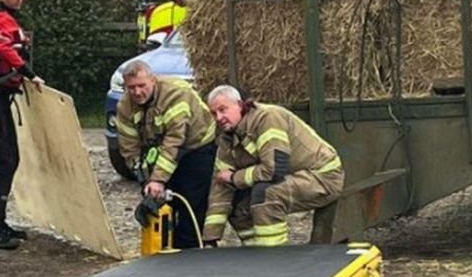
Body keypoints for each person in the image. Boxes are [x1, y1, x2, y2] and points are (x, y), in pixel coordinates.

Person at [202, 85, 343, 247]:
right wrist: (211, 238)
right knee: (238, 204)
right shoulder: (227, 139)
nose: (219, 117)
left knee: (266, 194)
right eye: (214, 113)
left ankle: (274, 255)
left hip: (323, 176)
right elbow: (220, 187)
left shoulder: (267, 118)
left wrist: (234, 177)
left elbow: (275, 169)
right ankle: (254, 250)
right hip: (292, 177)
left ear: (240, 105)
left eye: (223, 110)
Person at [114, 60, 216, 249]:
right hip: (161, 148)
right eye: (131, 88)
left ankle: (191, 249)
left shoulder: (175, 94)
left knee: (190, 201)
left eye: (141, 85)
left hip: (196, 146)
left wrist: (158, 179)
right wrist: (145, 180)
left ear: (153, 80)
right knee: (158, 201)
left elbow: (175, 140)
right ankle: (163, 247)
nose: (137, 92)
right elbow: (129, 148)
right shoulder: (125, 106)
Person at [0, 0, 44, 250]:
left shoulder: (6, 19)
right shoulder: (1, 20)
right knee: (4, 161)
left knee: (9, 159)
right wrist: (29, 73)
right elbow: (1, 46)